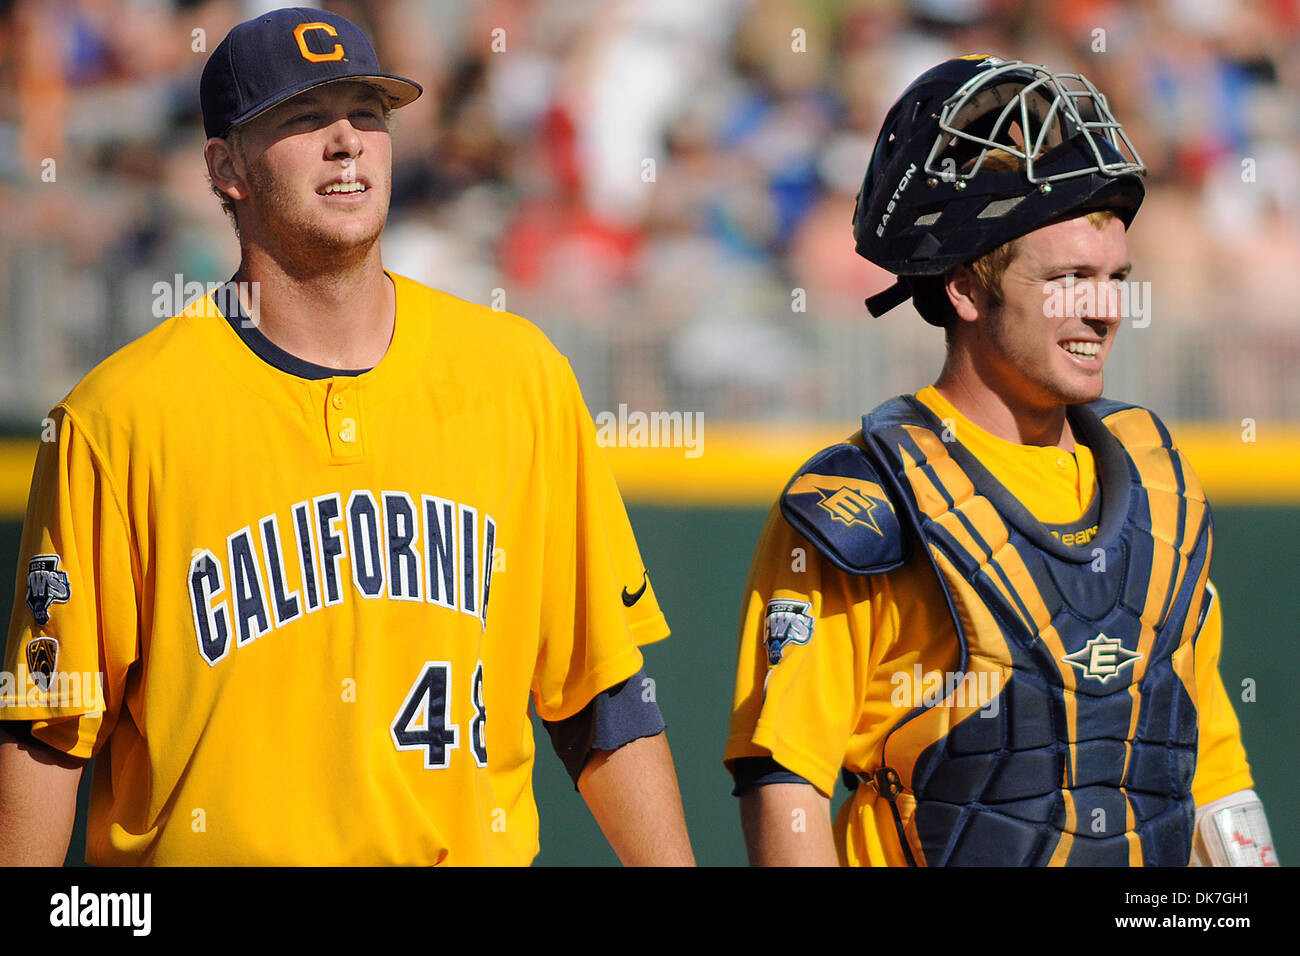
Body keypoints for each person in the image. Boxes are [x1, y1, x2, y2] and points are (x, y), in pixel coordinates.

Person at [0, 7, 694, 866]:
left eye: (368, 114)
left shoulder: (518, 377)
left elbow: (606, 699)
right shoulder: (119, 418)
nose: (347, 142)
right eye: (303, 119)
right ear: (226, 167)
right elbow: (49, 727)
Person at [724, 55, 1276, 866]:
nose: (1104, 308)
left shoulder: (1156, 485)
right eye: (1068, 278)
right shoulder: (864, 501)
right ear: (965, 289)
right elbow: (786, 781)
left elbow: (1208, 775)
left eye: (1116, 277)